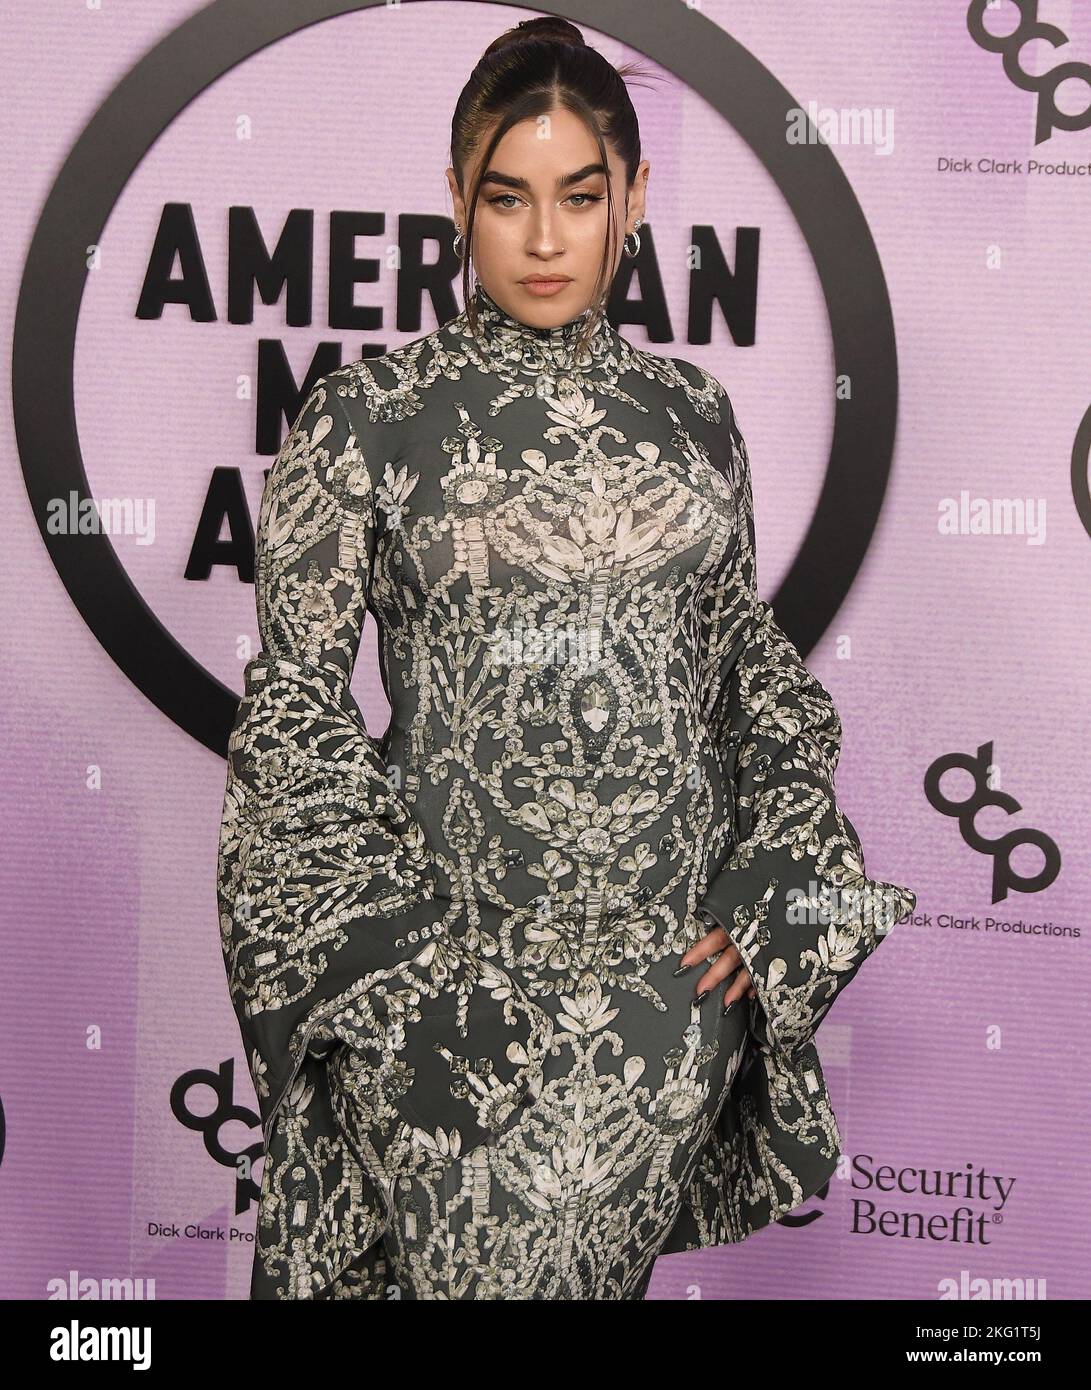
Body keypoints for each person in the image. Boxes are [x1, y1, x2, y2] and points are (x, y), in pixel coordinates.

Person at [216, 15, 917, 1301]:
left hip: (659, 1020)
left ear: (633, 197)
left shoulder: (696, 414)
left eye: (579, 196)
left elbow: (742, 673)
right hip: (445, 1018)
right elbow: (293, 719)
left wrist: (775, 883)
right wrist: (399, 990)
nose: (544, 240)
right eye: (507, 197)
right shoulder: (364, 416)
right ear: (453, 199)